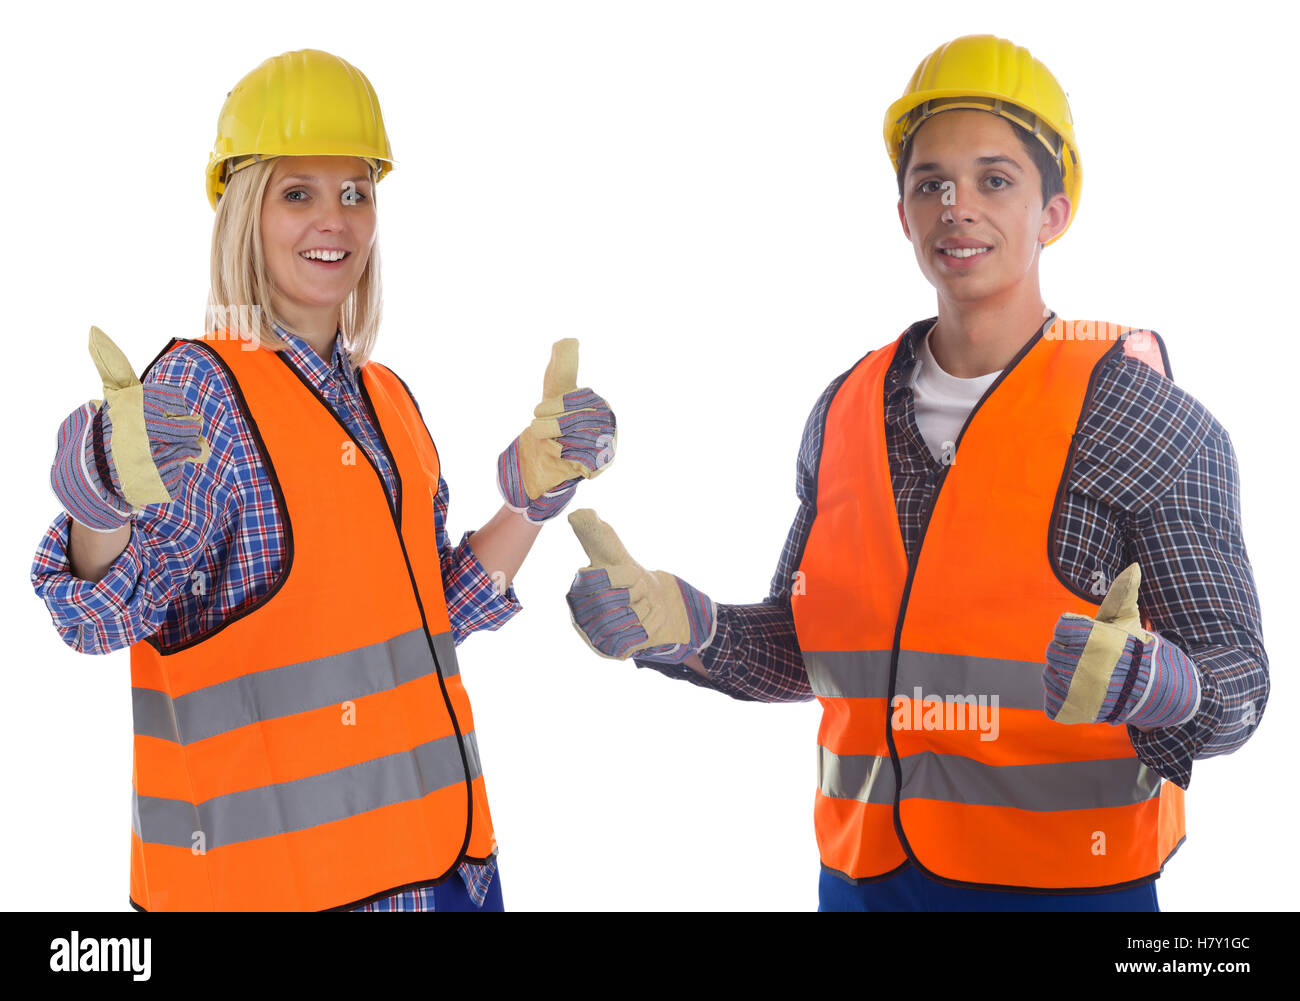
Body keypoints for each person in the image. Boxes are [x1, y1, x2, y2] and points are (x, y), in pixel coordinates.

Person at [563, 34, 1268, 912]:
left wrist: (1166, 685)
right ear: (903, 213)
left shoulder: (1143, 417)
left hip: (1066, 892)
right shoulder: (844, 409)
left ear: (1054, 211)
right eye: (930, 182)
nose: (956, 206)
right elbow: (815, 650)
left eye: (994, 180)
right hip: (860, 883)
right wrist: (683, 624)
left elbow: (1241, 681)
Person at [34, 47, 617, 912]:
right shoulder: (200, 391)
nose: (334, 220)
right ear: (241, 210)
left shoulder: (384, 397)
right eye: (297, 192)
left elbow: (427, 618)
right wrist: (98, 498)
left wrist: (531, 499)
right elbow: (100, 615)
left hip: (452, 872)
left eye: (356, 192)